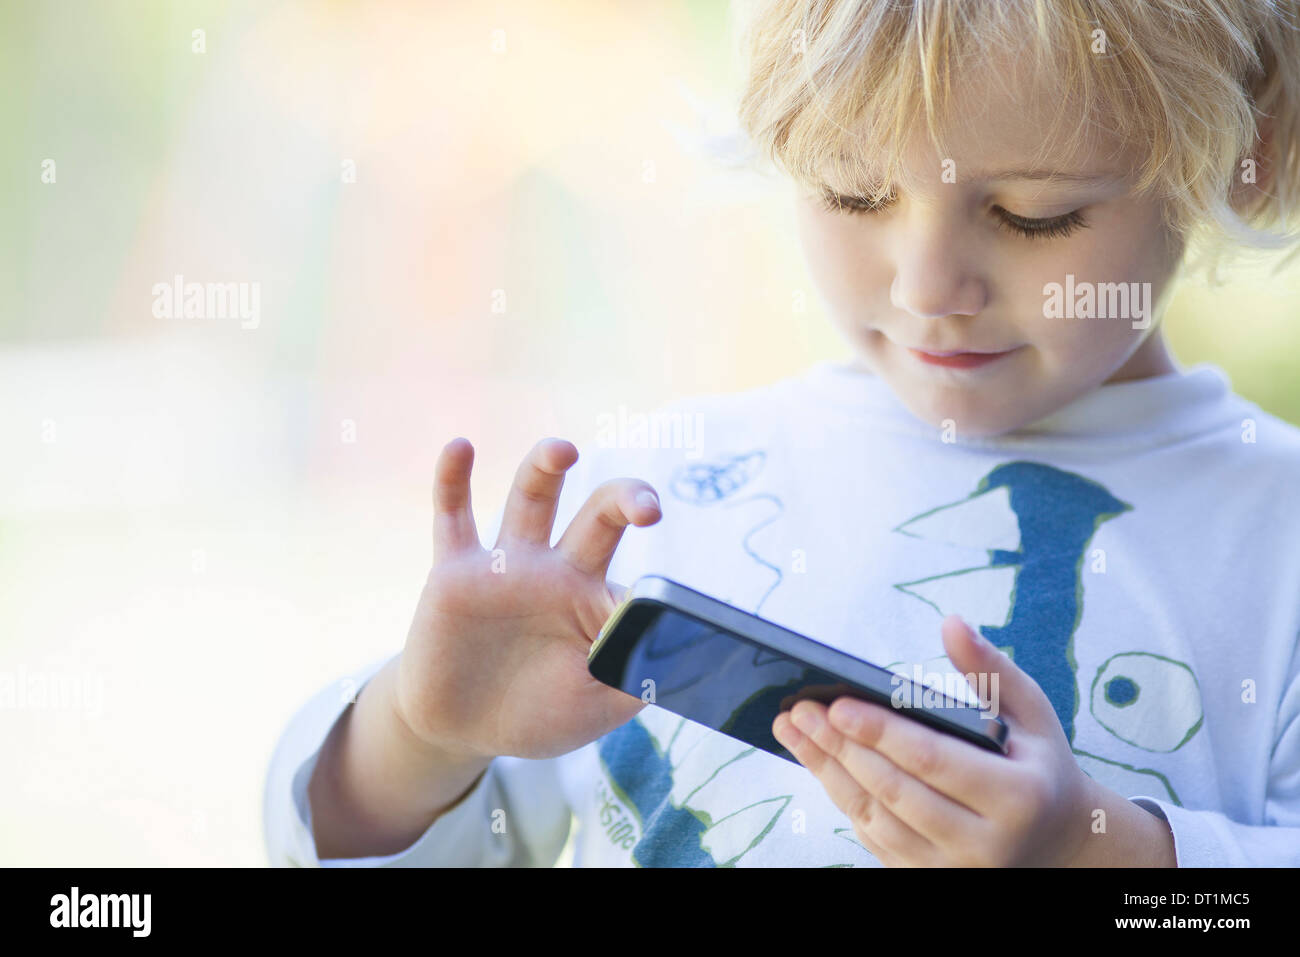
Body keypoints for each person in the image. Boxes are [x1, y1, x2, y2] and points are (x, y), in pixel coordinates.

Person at [264, 0, 1300, 866]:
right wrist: (416, 733)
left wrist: (1098, 853)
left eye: (1033, 215)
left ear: (1237, 147)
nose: (926, 286)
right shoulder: (657, 497)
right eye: (852, 192)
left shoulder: (1275, 530)